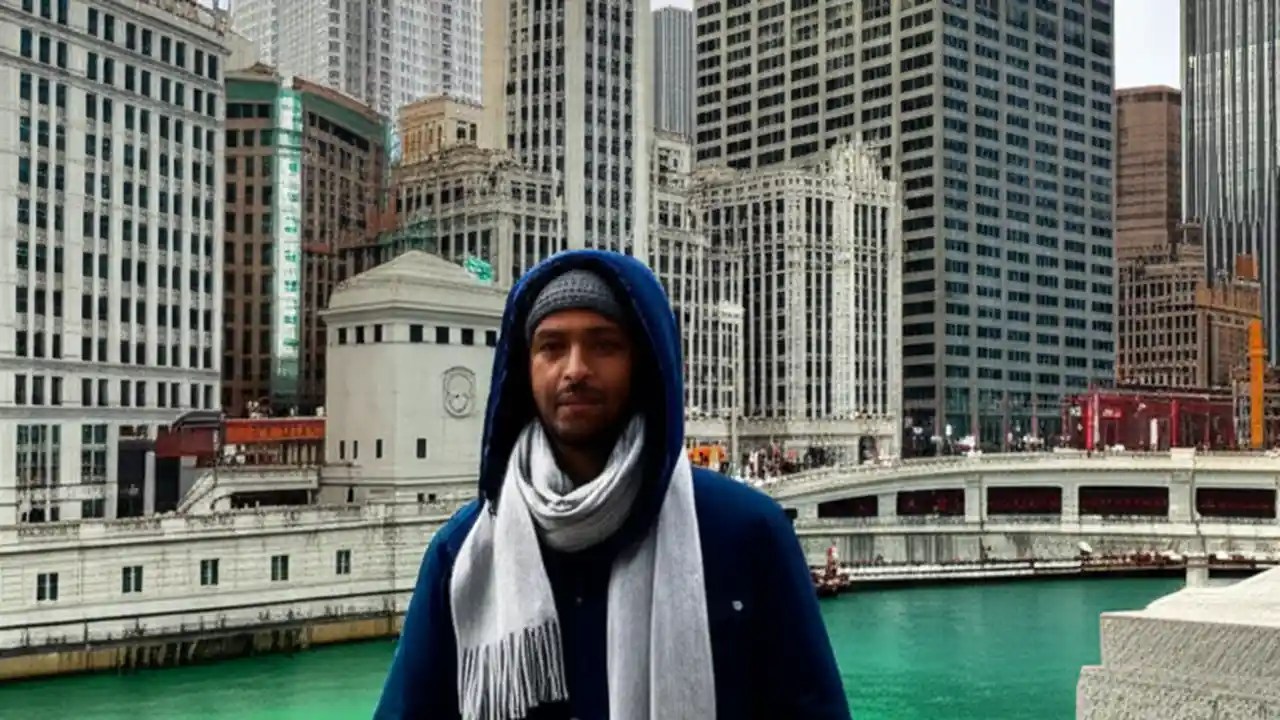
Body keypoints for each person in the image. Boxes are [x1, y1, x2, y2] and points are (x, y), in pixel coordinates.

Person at [375, 250, 850, 720]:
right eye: (551, 347)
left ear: (643, 364)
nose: (575, 369)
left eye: (604, 345)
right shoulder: (462, 554)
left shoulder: (746, 534)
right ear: (525, 369)